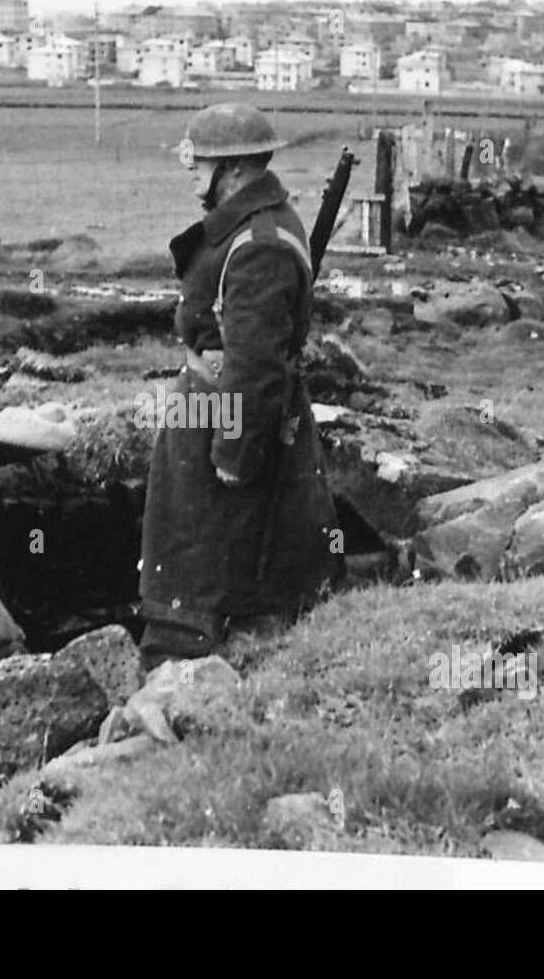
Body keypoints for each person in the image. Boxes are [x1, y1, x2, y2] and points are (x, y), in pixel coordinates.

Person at [137, 102, 345, 669]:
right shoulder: (252, 228)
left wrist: (233, 452)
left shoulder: (261, 245)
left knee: (210, 552)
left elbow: (254, 370)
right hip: (206, 405)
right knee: (187, 541)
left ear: (230, 169)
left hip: (226, 413)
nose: (190, 173)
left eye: (198, 163)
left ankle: (198, 663)